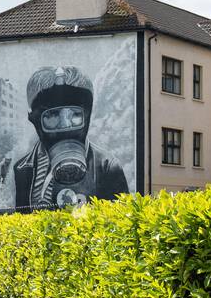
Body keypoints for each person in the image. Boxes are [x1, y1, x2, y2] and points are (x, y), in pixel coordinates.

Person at [13, 65, 129, 209]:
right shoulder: (22, 168)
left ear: (88, 115)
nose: (65, 127)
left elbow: (119, 223)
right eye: (52, 115)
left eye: (75, 115)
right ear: (33, 119)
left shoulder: (107, 167)